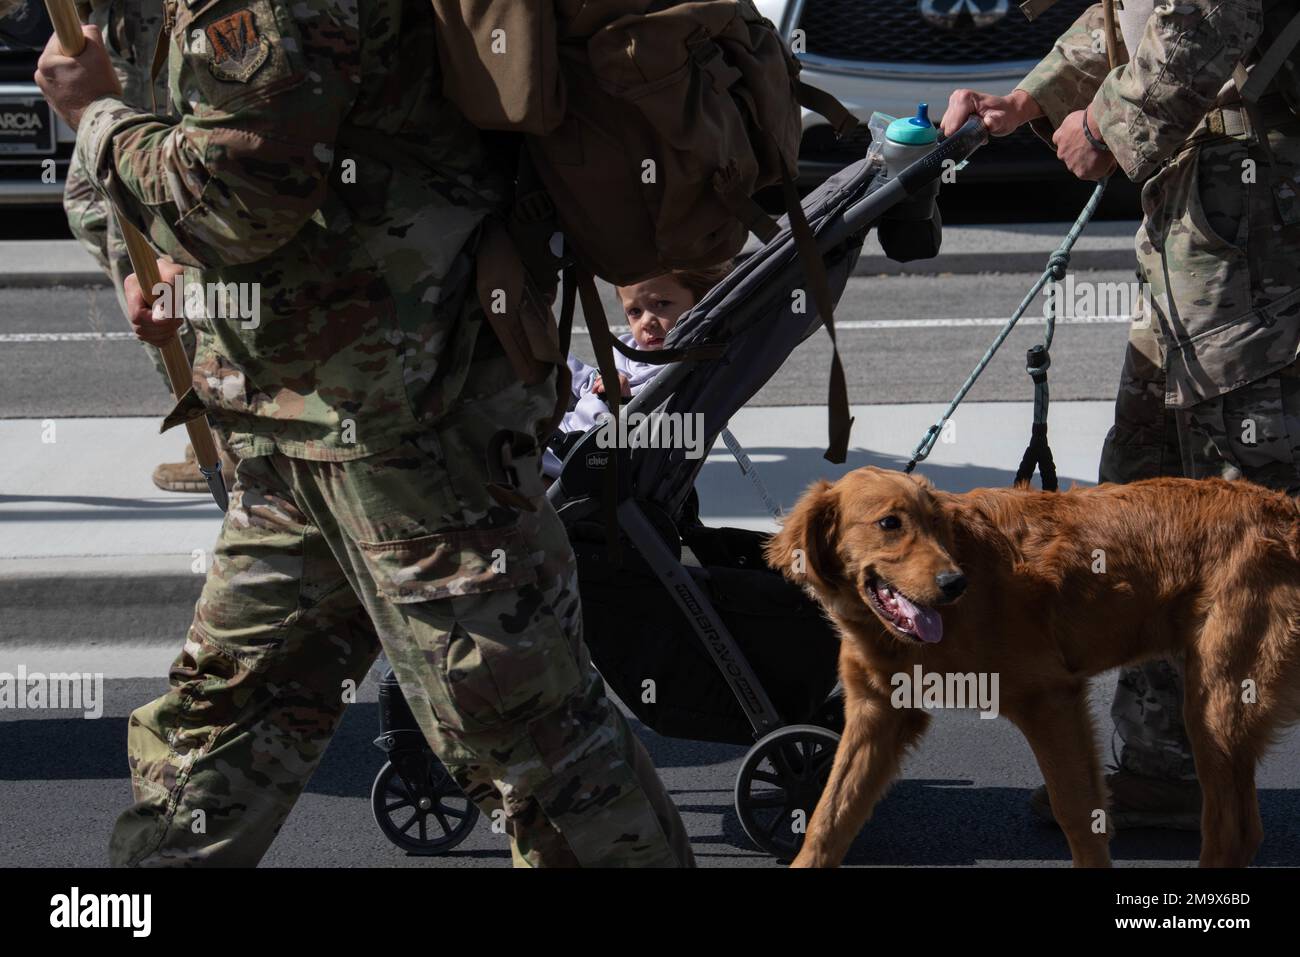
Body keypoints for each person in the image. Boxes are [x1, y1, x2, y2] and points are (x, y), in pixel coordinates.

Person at [36, 0, 693, 867]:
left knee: (529, 741)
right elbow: (174, 196)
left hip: (413, 431)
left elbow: (237, 195)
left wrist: (95, 117)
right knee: (225, 723)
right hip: (290, 425)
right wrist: (139, 261)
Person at [941, 0, 1300, 830]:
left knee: (1258, 534)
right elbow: (1130, 12)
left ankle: (1199, 776)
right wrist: (1027, 100)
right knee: (1145, 515)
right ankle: (1163, 770)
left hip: (1265, 265)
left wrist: (1106, 123)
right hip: (1197, 255)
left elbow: (1209, 16)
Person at [60, 0, 235, 493]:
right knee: (89, 209)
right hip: (120, 39)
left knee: (151, 249)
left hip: (162, 42)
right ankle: (219, 411)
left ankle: (222, 430)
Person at [544, 265, 732, 477]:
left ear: (700, 303)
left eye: (662, 304)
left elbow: (641, 436)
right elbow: (591, 381)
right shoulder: (633, 351)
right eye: (635, 311)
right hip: (561, 431)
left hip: (577, 455)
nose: (647, 322)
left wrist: (616, 400)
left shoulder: (681, 370)